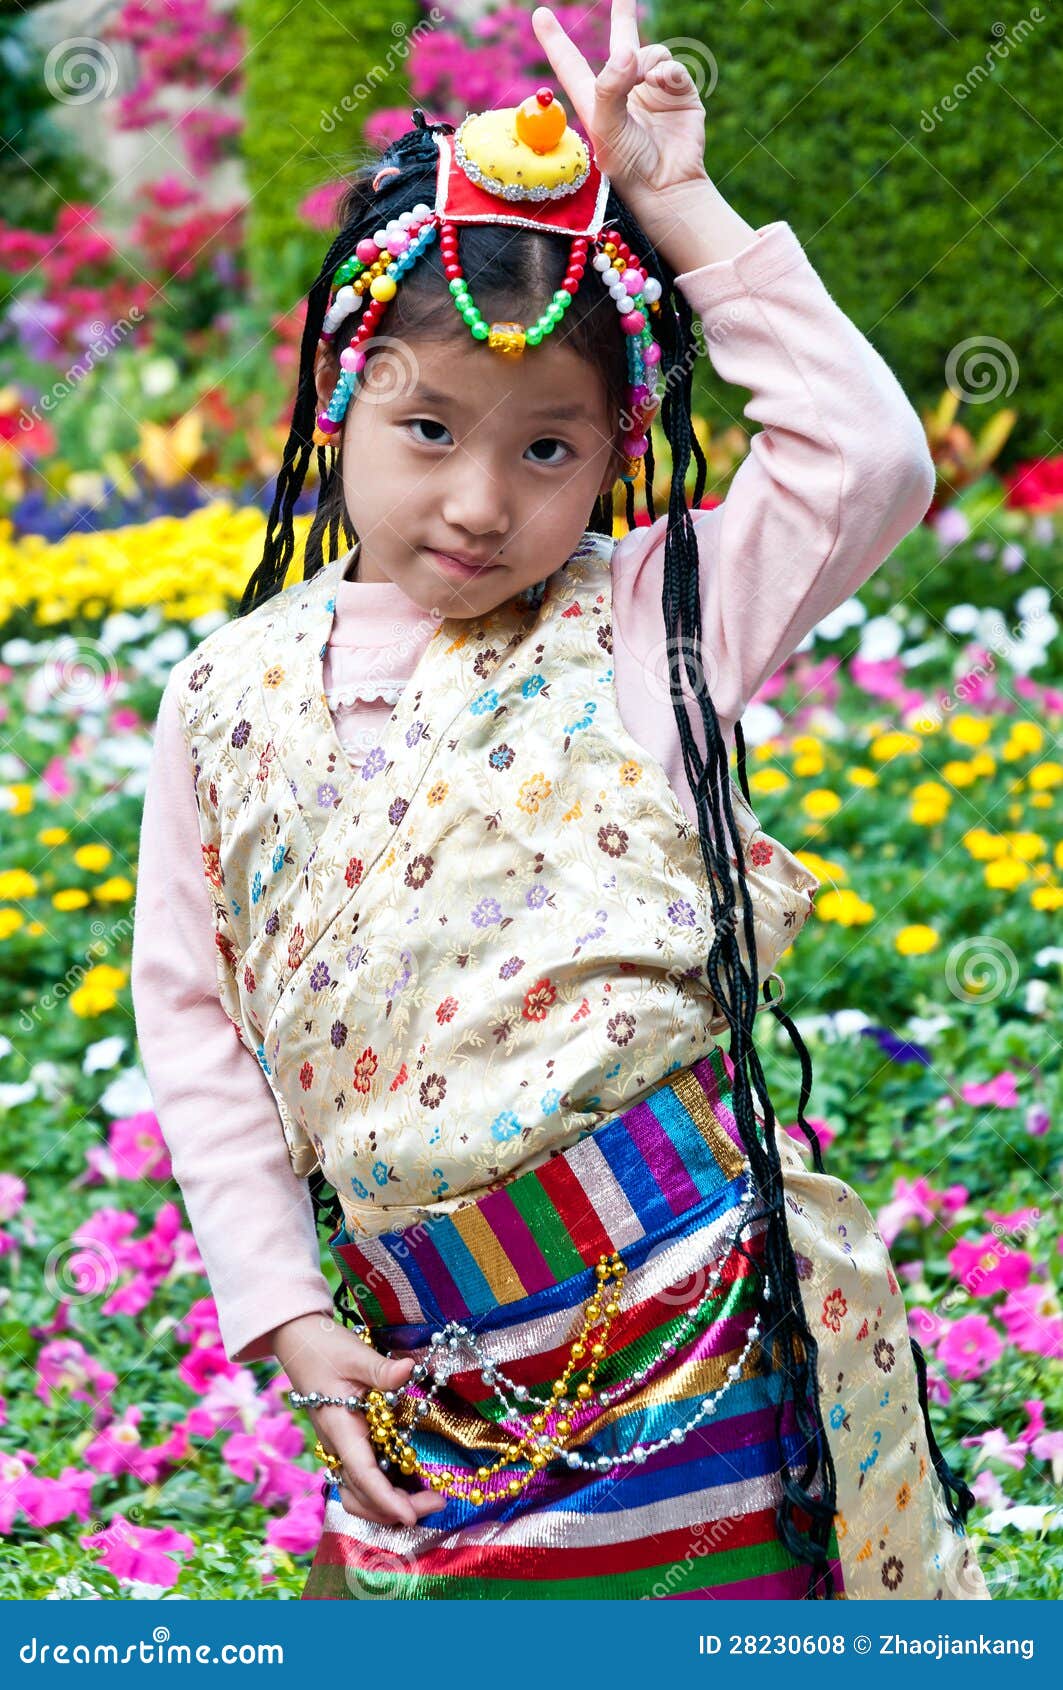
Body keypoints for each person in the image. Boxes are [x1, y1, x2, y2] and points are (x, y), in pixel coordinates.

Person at [131, 0, 990, 1602]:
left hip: (697, 1330)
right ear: (340, 403)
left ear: (615, 454)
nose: (478, 499)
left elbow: (870, 460)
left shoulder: (662, 611)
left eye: (548, 448)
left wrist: (676, 204)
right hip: (427, 1362)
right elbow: (193, 1024)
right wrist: (290, 1313)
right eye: (429, 428)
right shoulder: (225, 697)